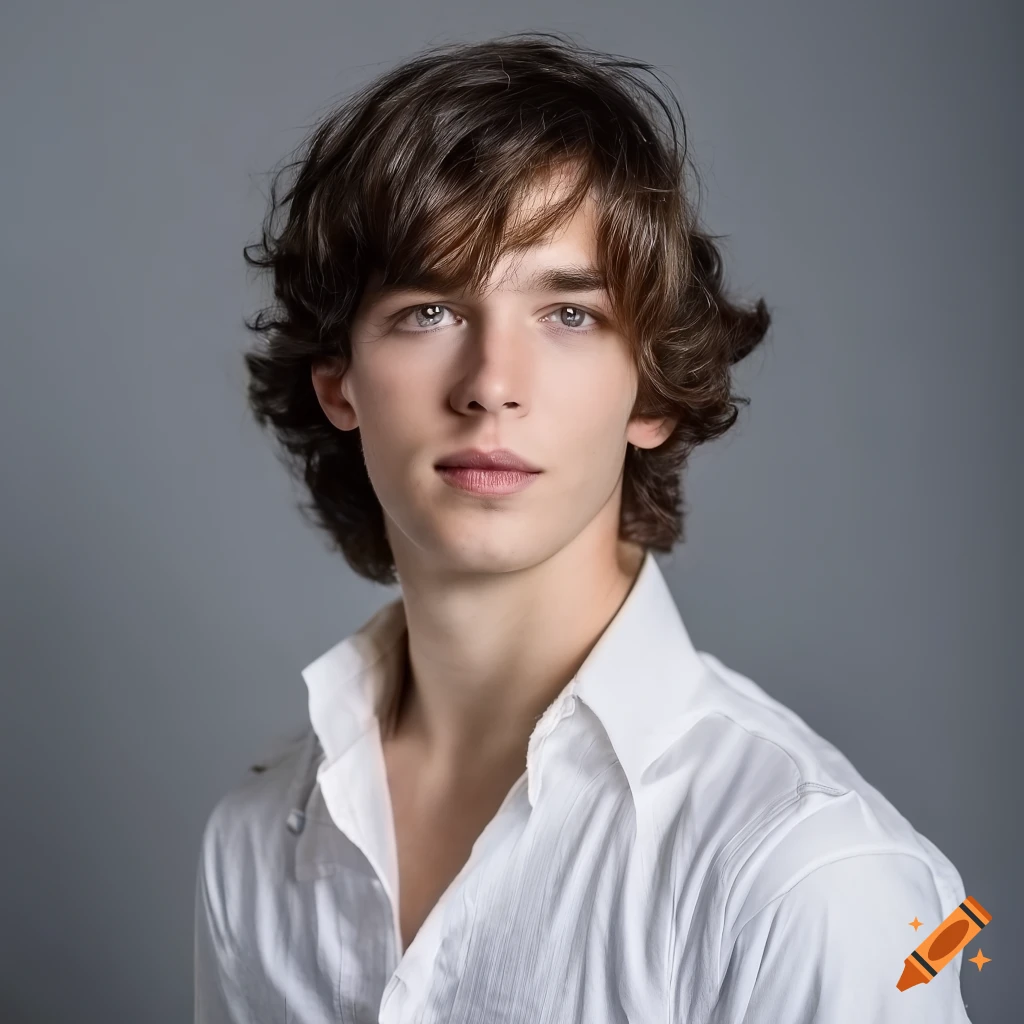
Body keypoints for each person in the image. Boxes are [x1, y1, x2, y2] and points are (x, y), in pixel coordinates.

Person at [194, 31, 972, 1024]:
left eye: (568, 316)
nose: (490, 387)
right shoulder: (257, 843)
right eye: (429, 309)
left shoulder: (810, 877)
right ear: (339, 382)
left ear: (650, 391)